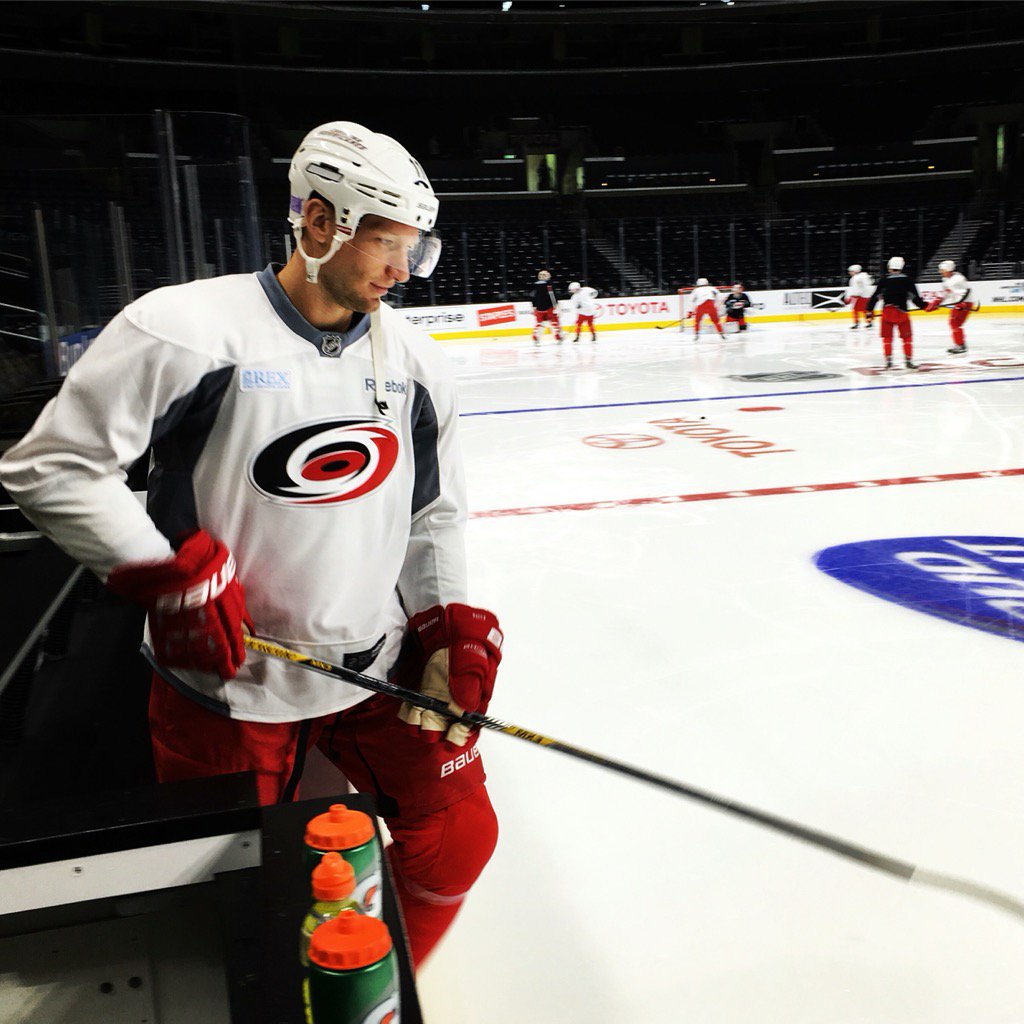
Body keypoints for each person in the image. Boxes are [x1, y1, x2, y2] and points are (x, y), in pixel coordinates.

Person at [0, 121, 503, 969]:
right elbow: (52, 465)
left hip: (371, 666)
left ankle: (392, 974)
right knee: (234, 892)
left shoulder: (415, 362)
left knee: (457, 840)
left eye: (414, 250)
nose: (400, 270)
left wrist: (449, 621)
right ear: (317, 222)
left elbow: (433, 514)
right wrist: (167, 580)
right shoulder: (186, 329)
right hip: (223, 676)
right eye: (386, 243)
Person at [866, 256, 928, 370]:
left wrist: (869, 311)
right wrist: (926, 306)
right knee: (907, 339)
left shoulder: (884, 281)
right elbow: (915, 299)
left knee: (887, 339)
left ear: (889, 267)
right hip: (902, 313)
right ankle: (908, 361)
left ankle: (889, 361)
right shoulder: (907, 280)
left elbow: (875, 297)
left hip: (887, 313)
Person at [926, 259, 976, 355]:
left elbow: (967, 291)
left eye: (942, 270)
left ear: (948, 269)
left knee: (954, 322)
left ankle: (960, 345)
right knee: (954, 323)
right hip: (959, 303)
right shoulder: (945, 280)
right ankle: (960, 344)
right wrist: (936, 302)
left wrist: (963, 303)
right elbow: (946, 293)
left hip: (965, 303)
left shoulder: (958, 278)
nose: (940, 272)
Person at [531, 269, 563, 343]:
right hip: (549, 307)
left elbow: (532, 296)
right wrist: (556, 305)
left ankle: (535, 336)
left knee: (540, 323)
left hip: (539, 309)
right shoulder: (549, 284)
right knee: (554, 321)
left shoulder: (535, 285)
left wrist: (534, 306)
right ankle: (558, 336)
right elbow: (552, 295)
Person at [844, 264, 875, 329]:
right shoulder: (865, 275)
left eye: (851, 271)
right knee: (866, 310)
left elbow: (856, 289)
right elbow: (871, 282)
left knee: (855, 310)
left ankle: (856, 323)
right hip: (868, 295)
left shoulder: (856, 278)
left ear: (855, 271)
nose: (850, 273)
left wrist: (852, 296)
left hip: (860, 296)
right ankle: (869, 322)